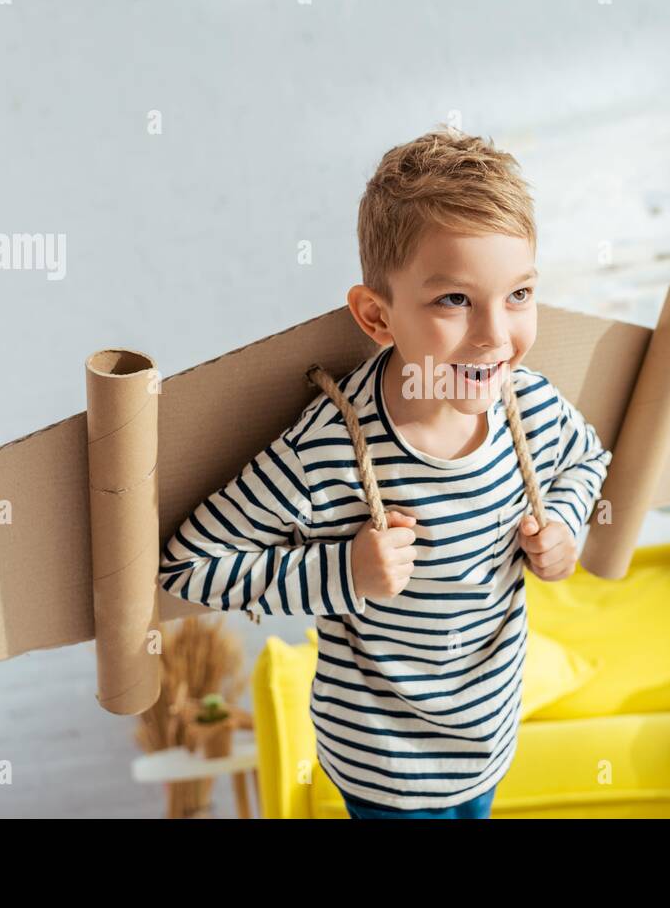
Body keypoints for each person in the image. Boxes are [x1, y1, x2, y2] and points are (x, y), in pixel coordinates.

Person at [157, 128, 611, 818]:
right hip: (385, 765)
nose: (495, 334)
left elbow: (587, 458)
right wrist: (343, 572)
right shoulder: (331, 450)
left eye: (518, 294)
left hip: (487, 738)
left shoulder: (531, 405)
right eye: (454, 300)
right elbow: (188, 564)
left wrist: (566, 523)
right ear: (377, 315)